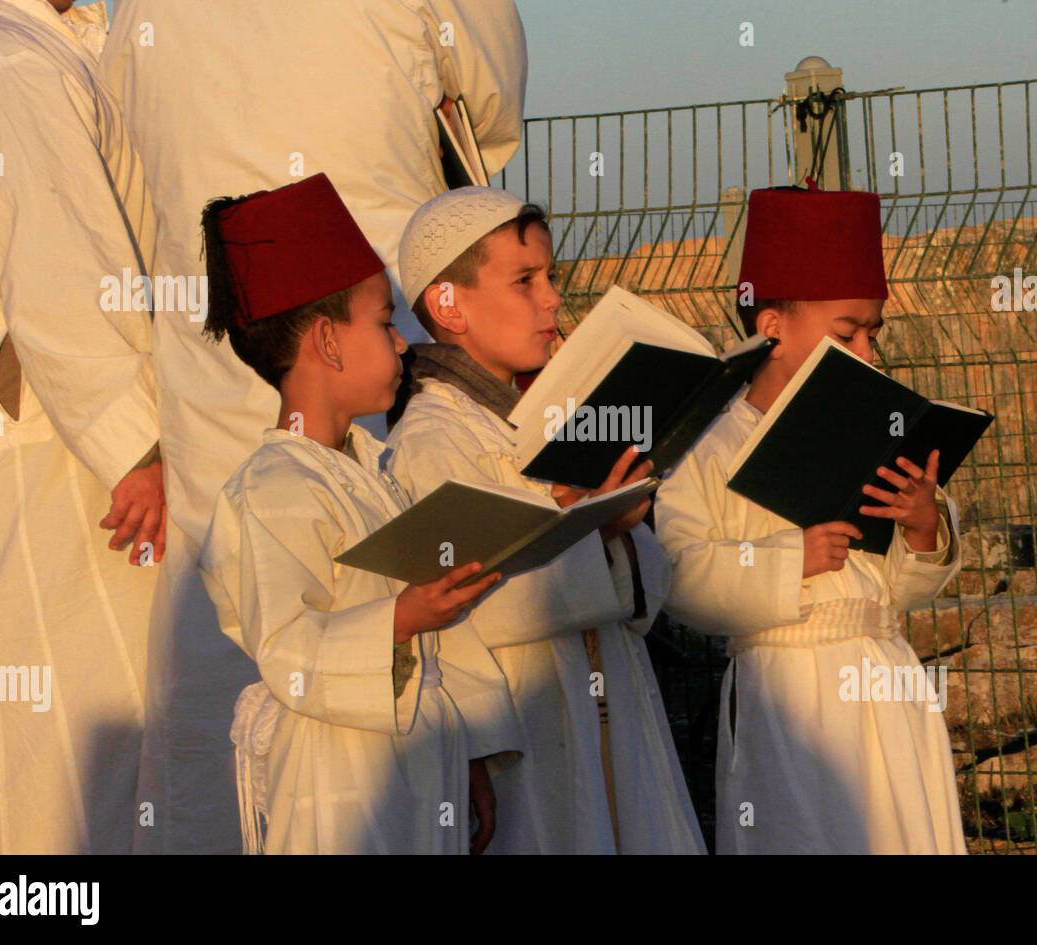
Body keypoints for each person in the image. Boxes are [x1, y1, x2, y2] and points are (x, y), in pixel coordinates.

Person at [99, 0, 527, 852]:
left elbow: (130, 168)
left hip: (231, 367)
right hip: (367, 322)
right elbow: (488, 112)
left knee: (218, 715)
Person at [385, 186, 706, 854]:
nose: (552, 299)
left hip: (608, 704)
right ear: (449, 304)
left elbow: (641, 584)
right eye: (525, 280)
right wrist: (596, 530)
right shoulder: (431, 438)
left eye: (551, 277)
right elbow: (468, 603)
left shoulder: (541, 415)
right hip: (530, 735)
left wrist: (620, 522)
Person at [196, 173, 509, 854]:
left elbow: (440, 637)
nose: (401, 343)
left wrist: (474, 754)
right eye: (382, 321)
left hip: (422, 765)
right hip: (335, 781)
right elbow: (288, 648)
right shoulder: (271, 487)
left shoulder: (374, 466)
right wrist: (401, 618)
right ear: (327, 342)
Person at [654, 185, 967, 854]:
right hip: (789, 694)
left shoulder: (873, 429)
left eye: (873, 332)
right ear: (772, 326)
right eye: (846, 332)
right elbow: (680, 575)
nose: (868, 353)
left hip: (887, 680)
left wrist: (922, 528)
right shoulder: (708, 444)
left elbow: (901, 587)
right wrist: (786, 558)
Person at [0, 0, 166, 853]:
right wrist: (138, 448)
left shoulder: (51, 44)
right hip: (65, 466)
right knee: (60, 781)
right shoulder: (5, 60)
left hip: (58, 451)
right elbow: (59, 276)